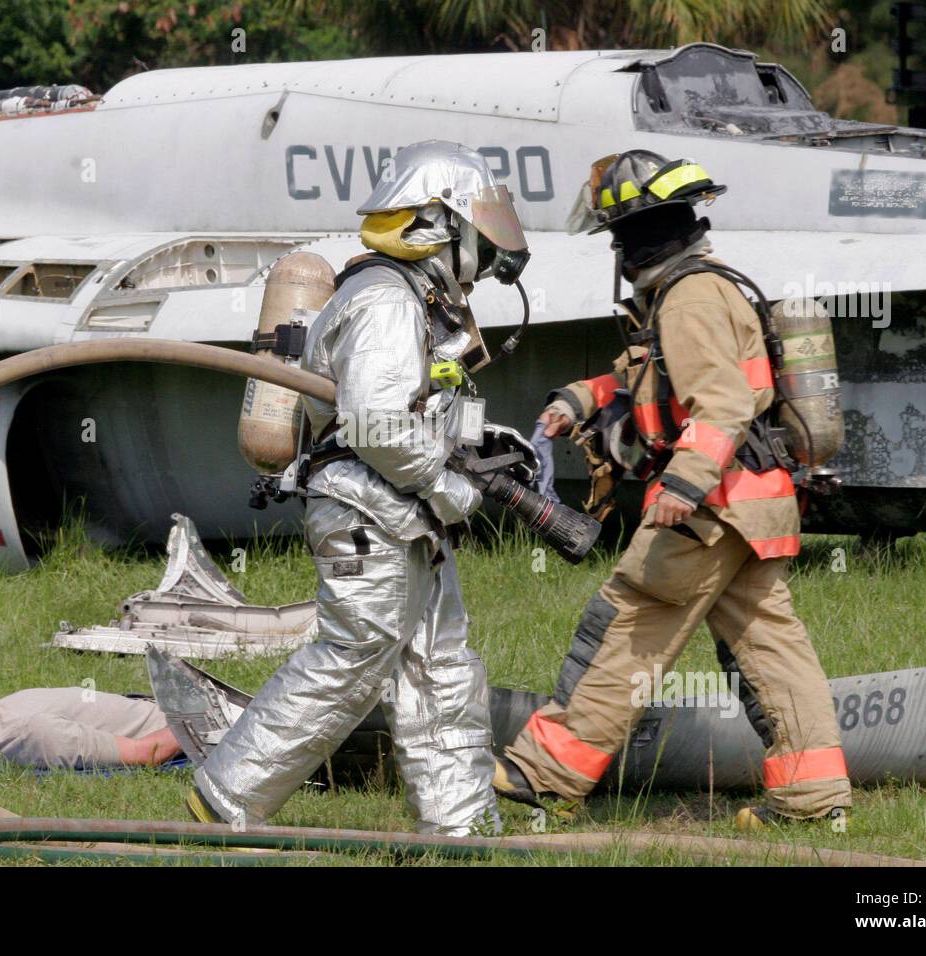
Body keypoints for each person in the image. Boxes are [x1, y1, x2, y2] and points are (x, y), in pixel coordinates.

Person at [493, 150, 853, 830]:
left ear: (636, 237)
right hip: (757, 500)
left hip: (713, 504)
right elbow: (650, 379)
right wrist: (578, 398)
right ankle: (812, 799)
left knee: (628, 622)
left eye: (618, 237)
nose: (617, 251)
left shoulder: (689, 298)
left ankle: (543, 777)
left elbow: (720, 403)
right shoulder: (700, 288)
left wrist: (683, 483)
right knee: (769, 647)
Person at [188, 140, 532, 836]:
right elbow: (376, 424)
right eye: (481, 219)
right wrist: (447, 486)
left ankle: (460, 828)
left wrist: (482, 445)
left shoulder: (415, 298)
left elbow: (412, 409)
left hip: (401, 516)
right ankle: (225, 800)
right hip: (369, 513)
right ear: (439, 223)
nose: (492, 240)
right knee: (351, 661)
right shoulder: (384, 299)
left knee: (439, 668)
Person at [0, 679, 182, 769]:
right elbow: (147, 752)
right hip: (180, 721)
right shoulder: (31, 734)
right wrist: (197, 719)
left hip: (164, 702)